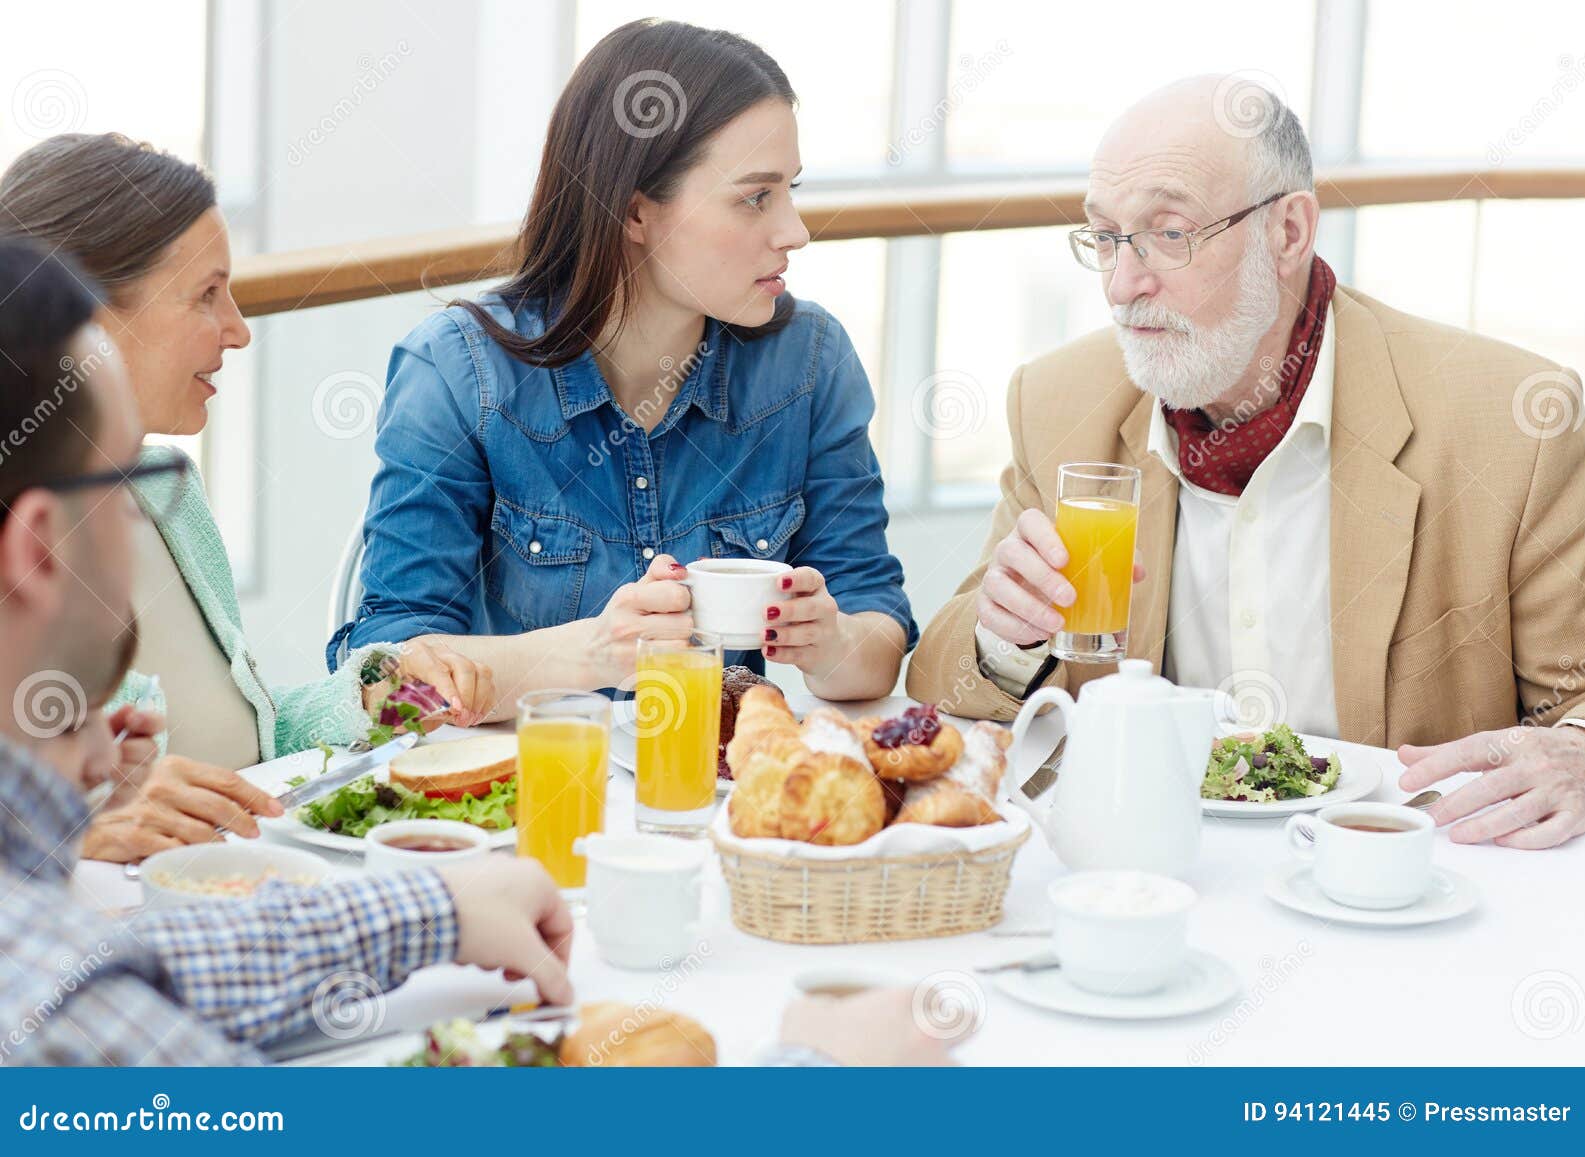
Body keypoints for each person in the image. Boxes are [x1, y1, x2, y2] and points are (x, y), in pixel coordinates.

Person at [907, 75, 1585, 850]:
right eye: (1105, 237)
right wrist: (1008, 636)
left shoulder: (1509, 421)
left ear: (1289, 232)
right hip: (1158, 864)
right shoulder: (1062, 400)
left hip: (1397, 874)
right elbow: (942, 682)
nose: (1122, 284)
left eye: (1169, 234)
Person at [0, 238, 573, 1063]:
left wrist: (427, 909)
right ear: (41, 551)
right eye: (126, 486)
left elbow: (116, 958)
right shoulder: (64, 1027)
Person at [334, 19, 915, 709]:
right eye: (756, 197)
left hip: (714, 802)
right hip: (534, 801)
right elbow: (384, 676)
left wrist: (834, 644)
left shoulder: (810, 361)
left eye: (790, 190)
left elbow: (877, 627)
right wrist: (594, 652)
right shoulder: (458, 372)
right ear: (636, 211)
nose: (795, 231)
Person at [0, 132, 497, 861]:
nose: (238, 331)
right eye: (207, 295)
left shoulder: (166, 492)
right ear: (92, 318)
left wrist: (366, 695)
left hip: (232, 891)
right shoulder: (24, 554)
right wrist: (76, 835)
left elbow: (241, 740)